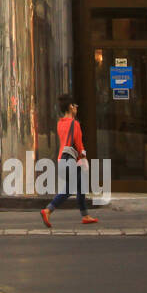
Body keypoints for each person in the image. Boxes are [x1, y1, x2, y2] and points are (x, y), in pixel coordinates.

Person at [41, 94, 100, 227]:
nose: (77, 108)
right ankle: (48, 210)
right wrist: (84, 160)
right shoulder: (75, 124)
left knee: (80, 186)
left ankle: (85, 215)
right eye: (75, 106)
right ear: (71, 107)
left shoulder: (59, 124)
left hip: (62, 160)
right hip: (72, 160)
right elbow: (79, 145)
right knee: (71, 188)